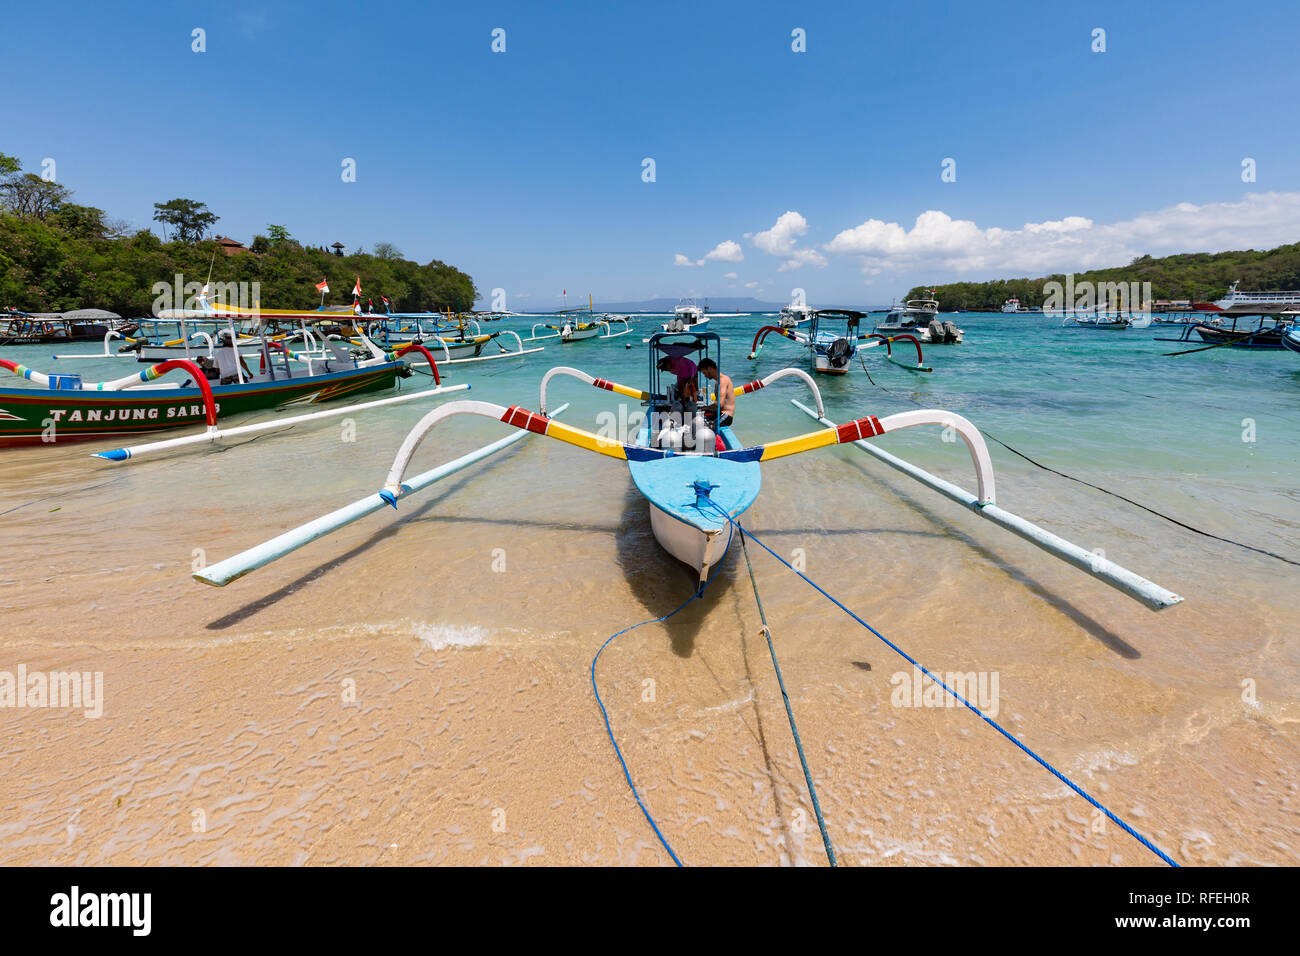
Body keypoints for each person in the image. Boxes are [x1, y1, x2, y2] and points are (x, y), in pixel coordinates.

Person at [697, 358, 734, 428]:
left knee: (707, 428)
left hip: (726, 416)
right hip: (719, 412)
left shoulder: (722, 381)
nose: (705, 376)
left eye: (704, 373)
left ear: (710, 369)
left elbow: (720, 404)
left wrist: (707, 407)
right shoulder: (718, 382)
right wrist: (705, 408)